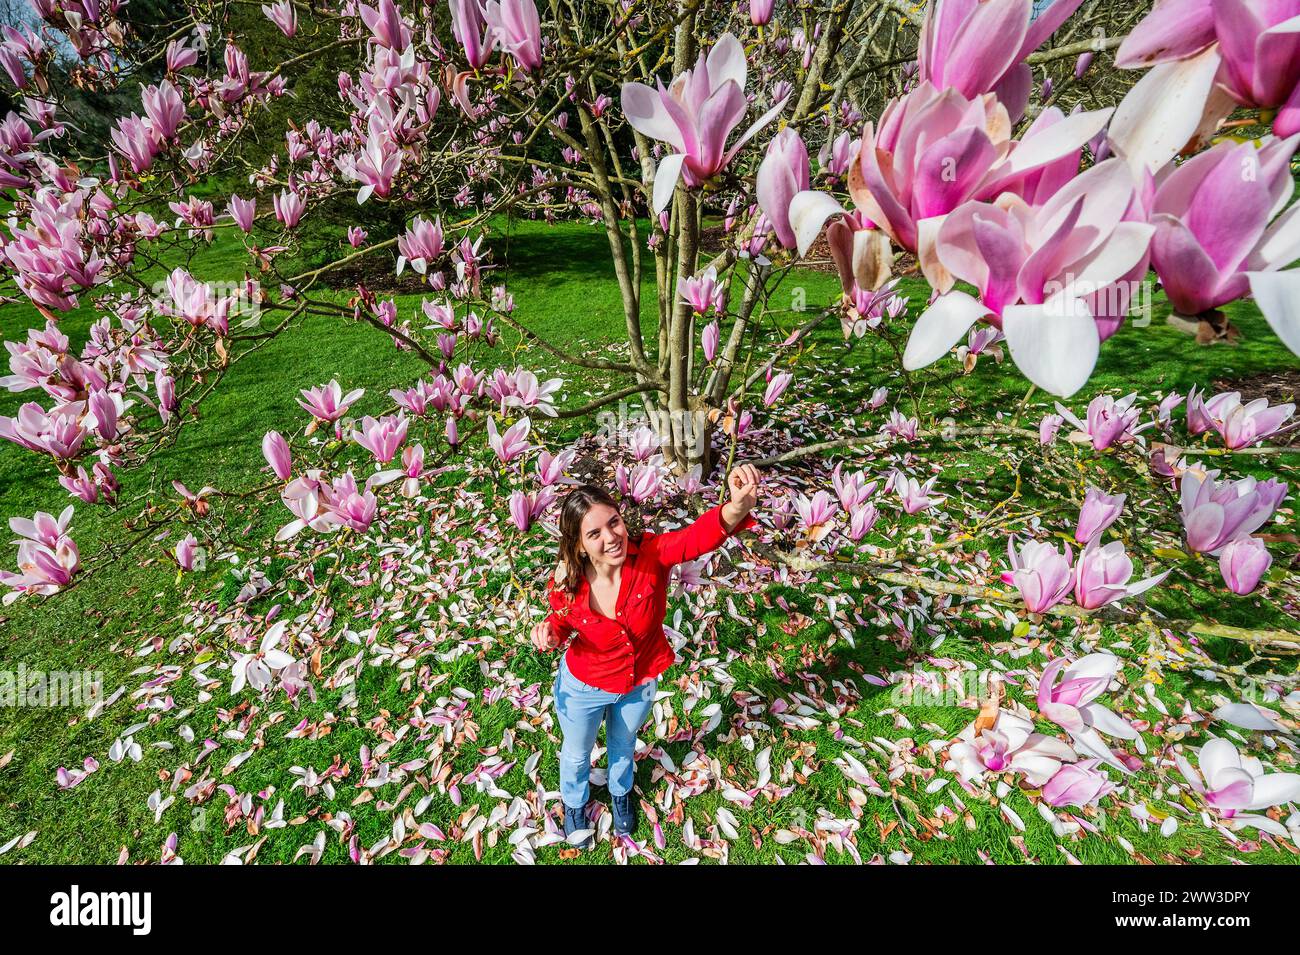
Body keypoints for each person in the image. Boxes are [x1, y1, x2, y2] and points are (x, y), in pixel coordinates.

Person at [530, 463, 763, 846]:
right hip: (583, 689)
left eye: (615, 522)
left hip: (638, 683)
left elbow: (696, 539)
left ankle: (621, 795)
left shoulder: (652, 554)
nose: (611, 537)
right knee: (576, 753)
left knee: (623, 745)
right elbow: (561, 625)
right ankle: (575, 803)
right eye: (594, 533)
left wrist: (736, 507)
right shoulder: (567, 584)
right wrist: (549, 635)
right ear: (579, 546)